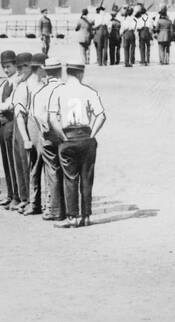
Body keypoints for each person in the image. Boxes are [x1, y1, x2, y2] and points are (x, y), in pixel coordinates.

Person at [48, 58, 107, 229]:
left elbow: (52, 117)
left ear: (67, 72)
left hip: (68, 136)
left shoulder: (59, 91)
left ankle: (72, 217)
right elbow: (101, 115)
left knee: (70, 178)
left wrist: (63, 136)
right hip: (86, 136)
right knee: (87, 178)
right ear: (81, 73)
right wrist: (92, 134)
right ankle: (86, 215)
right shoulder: (89, 91)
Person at [31, 57, 66, 220]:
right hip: (66, 133)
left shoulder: (40, 92)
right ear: (60, 71)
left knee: (52, 171)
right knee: (69, 171)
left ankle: (54, 208)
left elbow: (36, 114)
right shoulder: (65, 89)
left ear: (46, 71)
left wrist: (44, 127)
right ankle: (70, 207)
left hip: (48, 134)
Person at [11, 52, 46, 214]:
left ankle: (47, 203)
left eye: (21, 67)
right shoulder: (24, 86)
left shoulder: (42, 84)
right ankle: (34, 202)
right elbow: (19, 115)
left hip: (45, 129)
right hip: (33, 130)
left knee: (47, 169)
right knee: (35, 168)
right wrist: (26, 138)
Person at [0, 50, 23, 208]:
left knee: (13, 160)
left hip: (11, 121)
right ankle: (10, 194)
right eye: (3, 66)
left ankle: (17, 195)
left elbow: (10, 104)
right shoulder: (6, 82)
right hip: (2, 122)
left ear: (16, 65)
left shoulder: (18, 81)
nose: (6, 70)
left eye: (8, 66)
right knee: (6, 159)